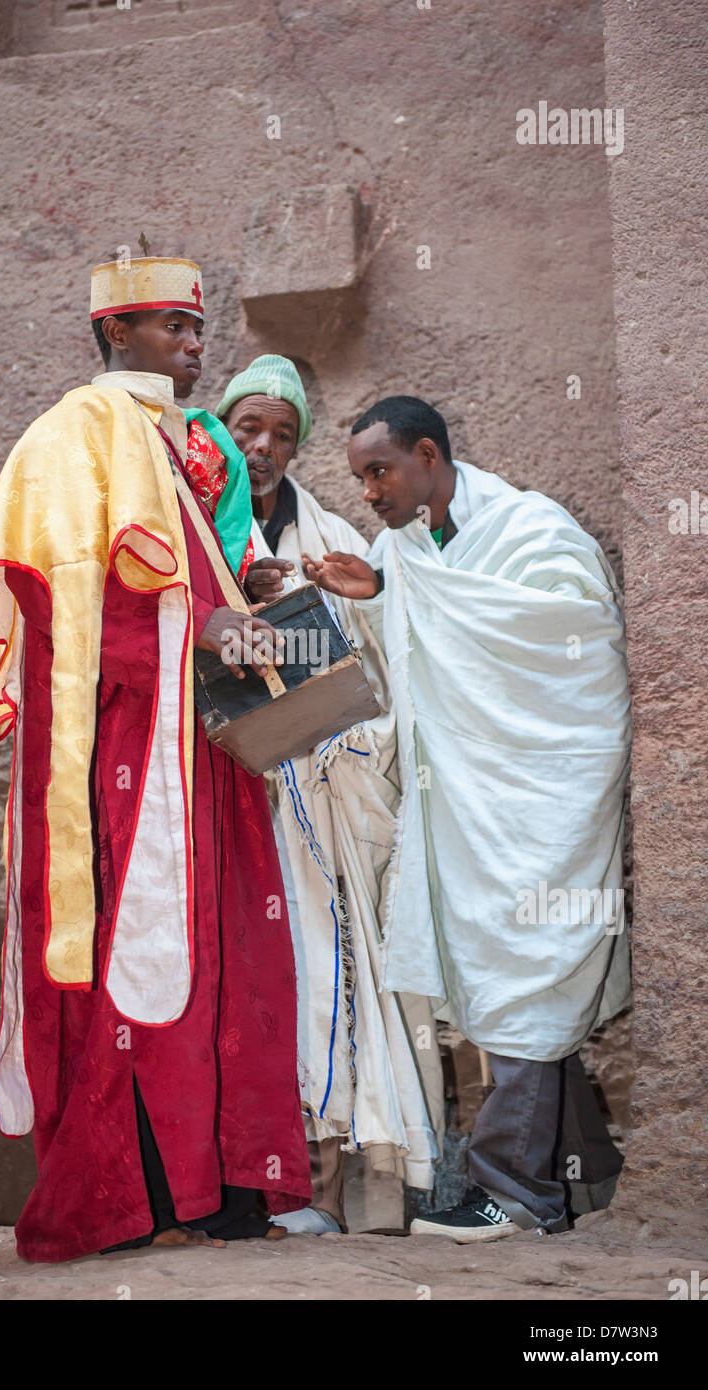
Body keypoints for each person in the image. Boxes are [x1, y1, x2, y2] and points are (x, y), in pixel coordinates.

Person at [0, 257, 311, 1262]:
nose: (195, 346)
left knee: (222, 958)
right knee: (134, 958)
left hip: (194, 756)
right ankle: (135, 1189)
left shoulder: (172, 446)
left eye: (198, 328)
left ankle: (215, 1189)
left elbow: (185, 592)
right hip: (115, 762)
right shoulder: (69, 436)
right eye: (172, 327)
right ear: (117, 334)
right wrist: (202, 632)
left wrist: (238, 621)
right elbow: (65, 602)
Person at [302, 395, 630, 1242]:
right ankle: (574, 1182)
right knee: (509, 977)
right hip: (461, 803)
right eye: (360, 479)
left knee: (530, 969)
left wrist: (411, 601)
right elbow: (403, 662)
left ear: (426, 455)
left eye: (380, 472)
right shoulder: (400, 550)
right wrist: (375, 596)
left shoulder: (532, 531)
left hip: (539, 796)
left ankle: (514, 1193)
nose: (369, 492)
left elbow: (575, 643)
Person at [216, 358, 444, 1234]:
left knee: (327, 973)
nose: (264, 447)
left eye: (281, 433)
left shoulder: (325, 538)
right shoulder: (193, 530)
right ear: (221, 434)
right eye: (248, 429)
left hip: (316, 794)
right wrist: (233, 598)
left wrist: (298, 603)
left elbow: (374, 670)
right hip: (230, 796)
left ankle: (329, 1187)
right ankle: (250, 1191)